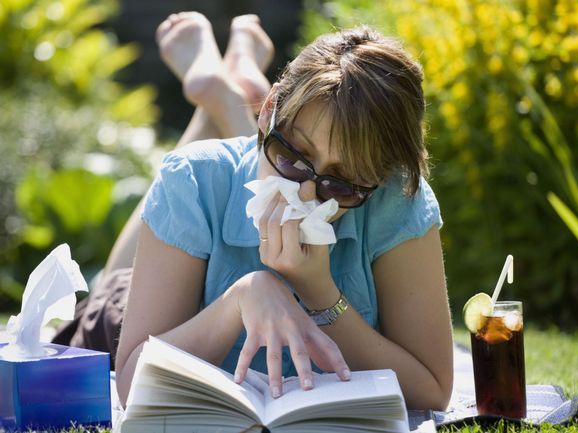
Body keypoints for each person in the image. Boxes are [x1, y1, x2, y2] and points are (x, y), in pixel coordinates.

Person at [54, 11, 453, 411]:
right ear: (268, 111)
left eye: (340, 183)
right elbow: (130, 384)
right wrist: (239, 299)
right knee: (116, 277)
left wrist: (320, 293)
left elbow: (433, 390)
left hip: (249, 162)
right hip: (131, 311)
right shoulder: (192, 179)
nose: (306, 194)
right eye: (292, 157)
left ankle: (225, 100)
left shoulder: (394, 198)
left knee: (239, 169)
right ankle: (222, 100)